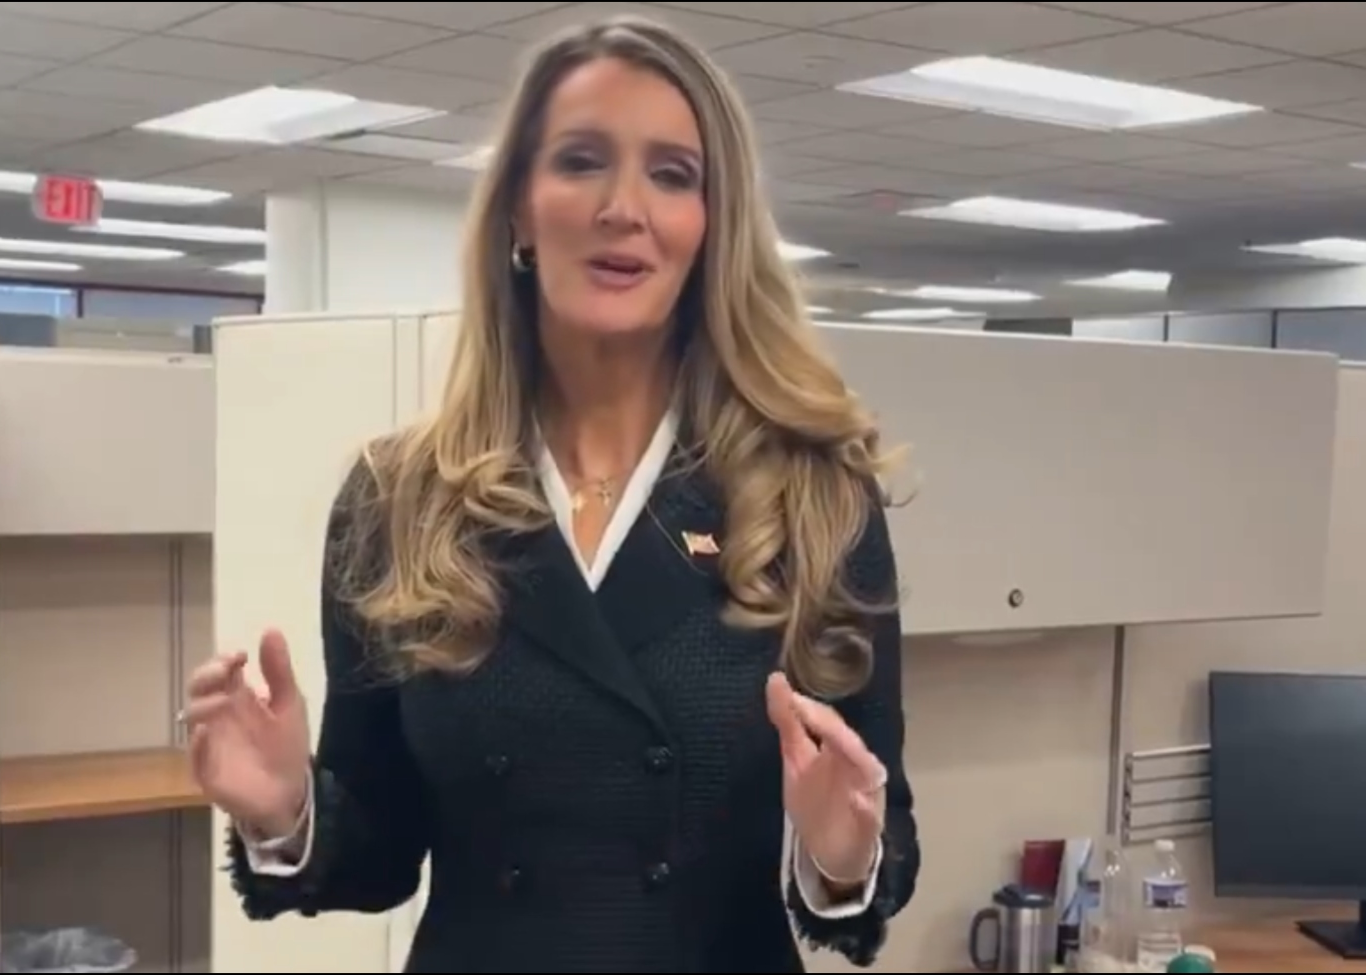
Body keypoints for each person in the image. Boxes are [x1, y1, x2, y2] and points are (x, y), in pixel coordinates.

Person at [183, 14, 919, 973]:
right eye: (581, 162)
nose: (624, 206)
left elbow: (883, 832)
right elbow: (384, 849)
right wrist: (288, 809)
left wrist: (840, 855)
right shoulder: (399, 501)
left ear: (713, 226)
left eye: (673, 175)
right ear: (519, 212)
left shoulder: (813, 496)